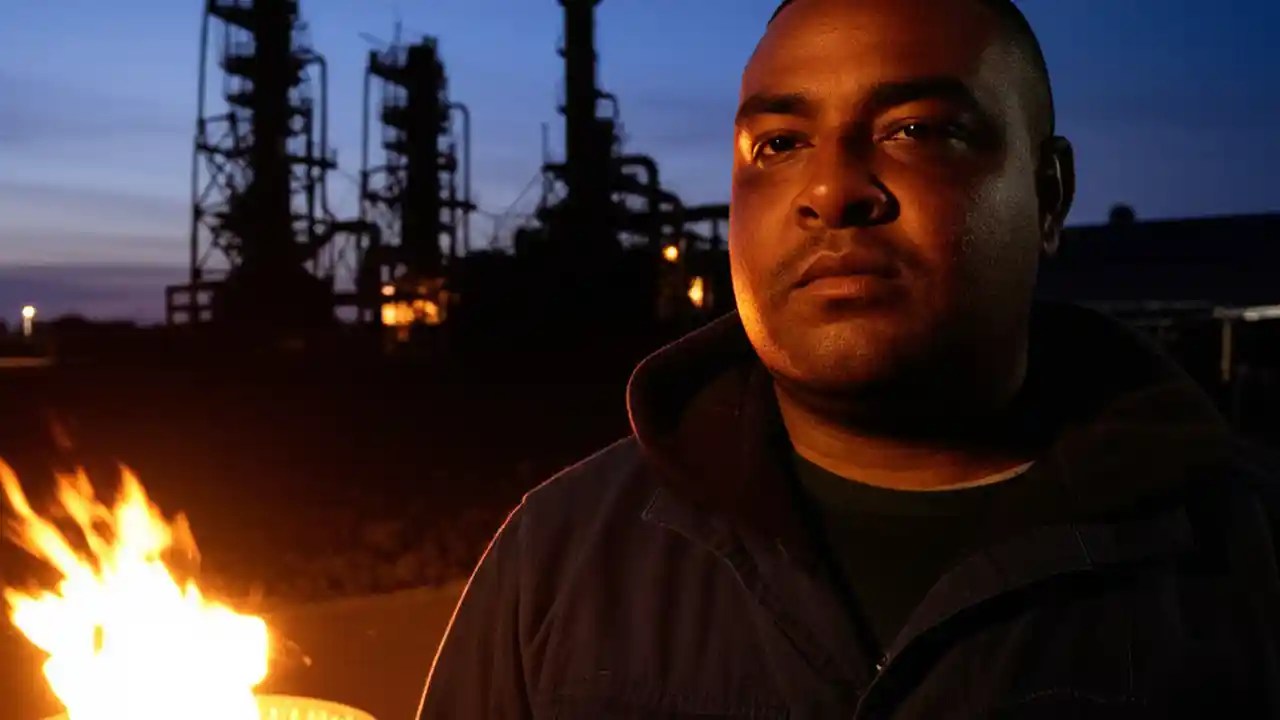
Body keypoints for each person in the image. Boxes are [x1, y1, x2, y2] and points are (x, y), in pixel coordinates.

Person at [417, 0, 1280, 716]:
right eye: (779, 145)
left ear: (1048, 194)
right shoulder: (558, 564)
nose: (831, 191)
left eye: (915, 129)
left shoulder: (1248, 560)